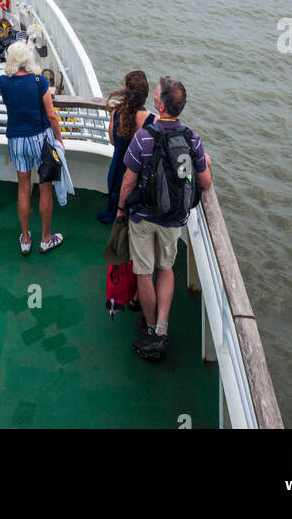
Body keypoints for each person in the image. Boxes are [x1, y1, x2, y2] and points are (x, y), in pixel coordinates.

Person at [117, 76, 212, 363]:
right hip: (173, 219)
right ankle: (162, 327)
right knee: (166, 269)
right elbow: (205, 182)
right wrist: (205, 163)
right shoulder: (192, 139)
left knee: (144, 273)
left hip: (143, 217)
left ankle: (149, 328)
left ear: (160, 104)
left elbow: (128, 182)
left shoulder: (143, 137)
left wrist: (122, 211)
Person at [0, 42, 64, 254]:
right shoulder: (39, 81)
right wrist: (59, 139)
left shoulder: (4, 82)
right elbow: (52, 115)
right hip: (39, 140)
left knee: (23, 189)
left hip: (16, 141)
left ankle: (25, 239)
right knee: (45, 188)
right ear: (28, 59)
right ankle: (46, 238)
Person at [97, 69, 154, 225]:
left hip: (115, 172)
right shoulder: (152, 120)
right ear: (145, 95)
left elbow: (113, 141)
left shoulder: (116, 113)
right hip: (136, 176)